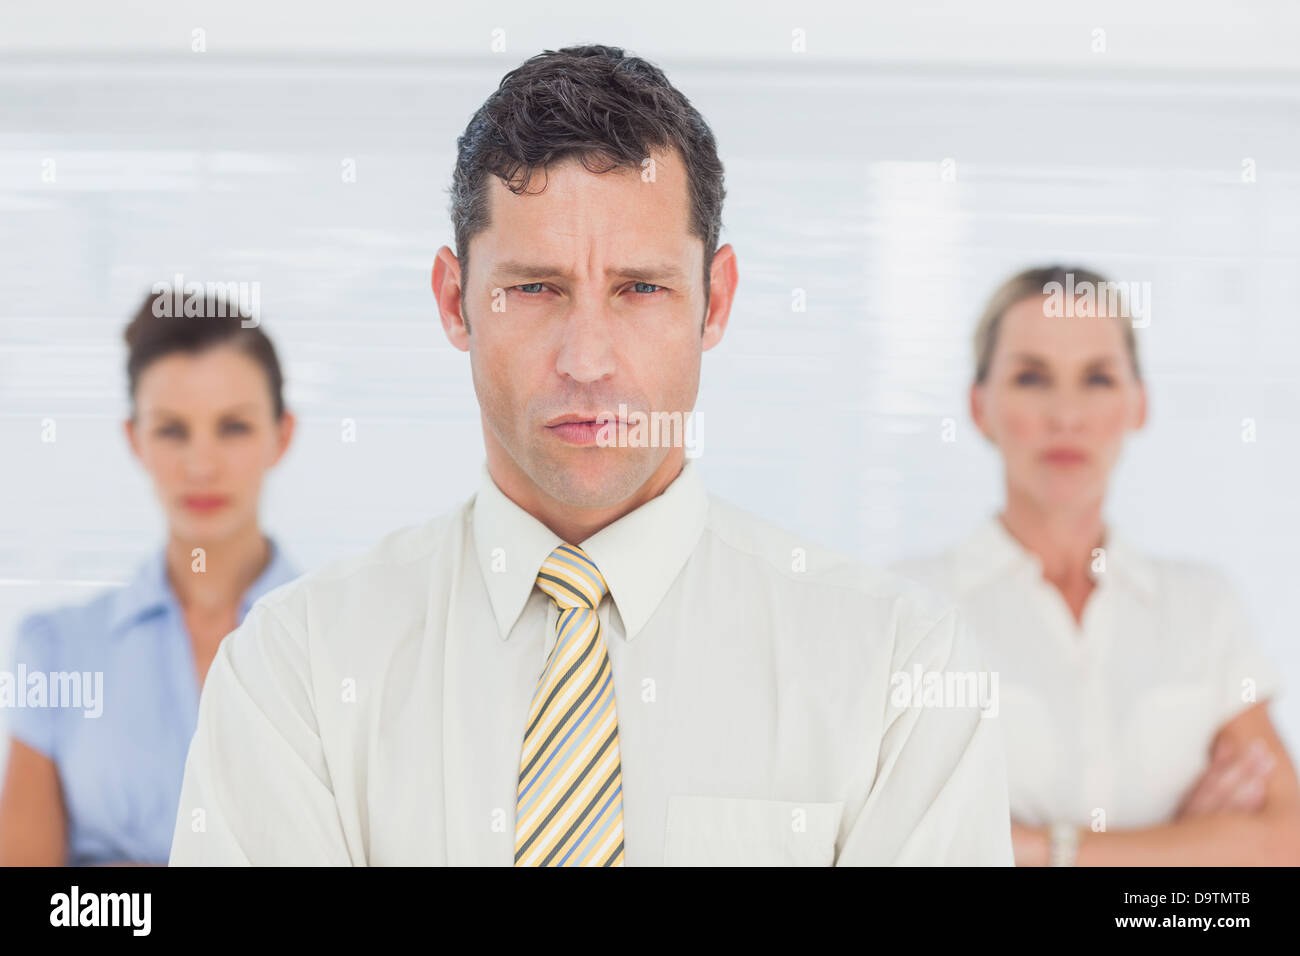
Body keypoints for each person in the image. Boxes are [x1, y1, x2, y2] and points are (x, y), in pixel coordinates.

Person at [169, 44, 1012, 867]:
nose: (587, 359)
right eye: (535, 288)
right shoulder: (299, 669)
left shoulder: (900, 670)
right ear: (454, 301)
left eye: (640, 289)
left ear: (714, 302)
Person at [893, 265, 1300, 865]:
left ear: (1139, 404)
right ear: (980, 406)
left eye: (1098, 378)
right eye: (1032, 377)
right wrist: (1185, 850)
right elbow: (901, 844)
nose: (1066, 414)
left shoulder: (1205, 606)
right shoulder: (909, 606)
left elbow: (1282, 840)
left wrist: (1045, 850)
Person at [0, 289, 299, 865]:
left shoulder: (351, 638)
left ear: (280, 436)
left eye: (233, 427)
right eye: (171, 430)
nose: (201, 465)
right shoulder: (57, 650)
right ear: (134, 440)